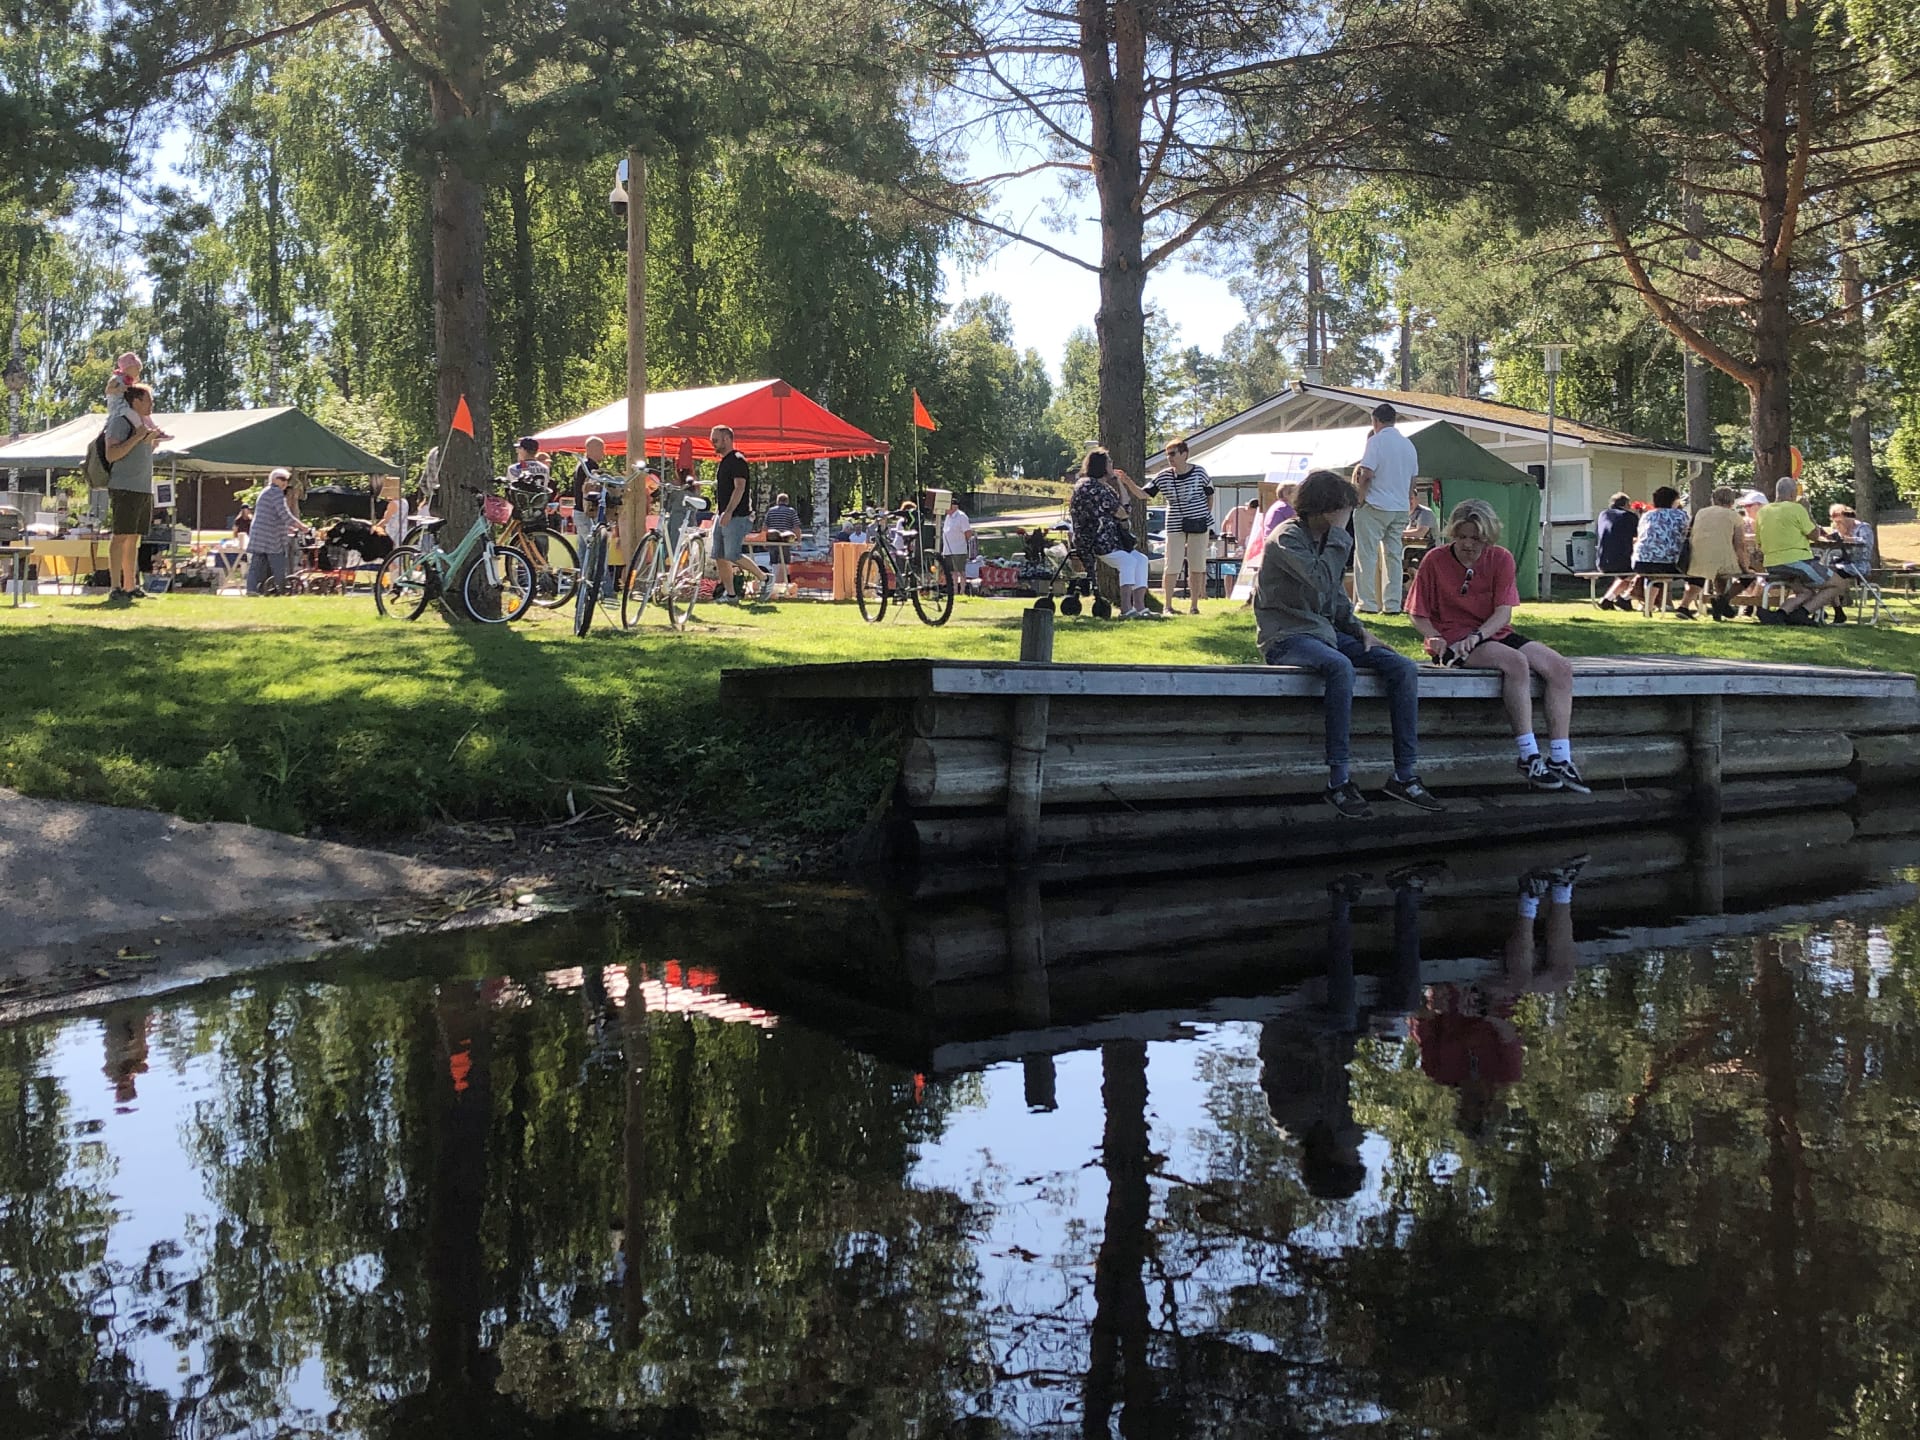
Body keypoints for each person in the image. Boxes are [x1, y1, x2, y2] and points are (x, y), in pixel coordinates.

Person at [1256, 468, 1444, 818]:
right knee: (1339, 667)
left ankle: (1404, 774)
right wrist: (1342, 537)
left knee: (1401, 666)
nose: (1350, 513)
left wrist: (1360, 632)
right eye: (1345, 507)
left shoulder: (1327, 539)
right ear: (1327, 508)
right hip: (1287, 636)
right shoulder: (1288, 538)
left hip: (1326, 633)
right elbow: (1319, 580)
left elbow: (1335, 599)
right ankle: (1338, 780)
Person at [1407, 499, 1589, 793]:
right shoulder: (1434, 561)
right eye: (1462, 536)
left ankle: (1560, 757)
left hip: (1490, 632)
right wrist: (1434, 637)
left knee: (1560, 668)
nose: (1468, 544)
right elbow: (1417, 613)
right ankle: (1528, 755)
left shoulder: (1501, 558)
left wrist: (1478, 635)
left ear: (1488, 538)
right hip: (1453, 637)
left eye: (1476, 539)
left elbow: (1503, 611)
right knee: (1515, 663)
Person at [1068, 447, 1153, 618]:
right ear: (1101, 465)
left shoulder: (1103, 487)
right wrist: (1122, 510)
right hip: (1094, 539)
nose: (1112, 464)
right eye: (1109, 462)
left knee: (1141, 560)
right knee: (1128, 562)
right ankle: (1126, 608)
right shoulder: (1090, 487)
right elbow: (1121, 512)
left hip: (1111, 539)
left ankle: (1140, 606)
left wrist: (1119, 482)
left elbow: (1125, 508)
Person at [1350, 402, 1419, 614]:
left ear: (1375, 421)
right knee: (1394, 556)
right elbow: (1413, 481)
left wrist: (1360, 498)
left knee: (1366, 555)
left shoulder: (1376, 441)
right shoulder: (1409, 445)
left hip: (1375, 504)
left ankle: (1367, 603)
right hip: (1399, 507)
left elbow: (1367, 473)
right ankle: (1392, 604)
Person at [1757, 476, 1849, 624]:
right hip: (1796, 561)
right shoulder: (1797, 509)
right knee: (1839, 584)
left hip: (1772, 564)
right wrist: (1808, 511)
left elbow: (1759, 542)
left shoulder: (1763, 512)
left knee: (1805, 592)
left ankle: (1780, 615)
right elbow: (1815, 535)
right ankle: (1802, 613)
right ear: (1793, 494)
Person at [103, 384, 161, 600]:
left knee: (134, 538)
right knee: (120, 536)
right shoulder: (121, 422)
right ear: (135, 401)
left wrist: (151, 440)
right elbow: (111, 454)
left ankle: (131, 586)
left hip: (142, 488)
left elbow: (140, 452)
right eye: (148, 401)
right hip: (124, 488)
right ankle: (115, 587)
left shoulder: (143, 424)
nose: (151, 405)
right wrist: (138, 437)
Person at [1144, 436, 1214, 615]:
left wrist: (1205, 515)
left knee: (1197, 565)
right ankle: (1167, 606)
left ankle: (1194, 605)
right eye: (1167, 454)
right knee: (1172, 564)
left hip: (1199, 524)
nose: (1169, 457)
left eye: (1173, 453)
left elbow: (1209, 494)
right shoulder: (1164, 476)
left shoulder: (1200, 472)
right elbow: (1145, 494)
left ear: (1185, 454)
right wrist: (1127, 482)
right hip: (1175, 524)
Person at [709, 425, 769, 603]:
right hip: (723, 515)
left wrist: (728, 512)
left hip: (737, 516)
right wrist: (719, 513)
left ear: (727, 439)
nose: (713, 444)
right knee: (719, 555)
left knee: (732, 554)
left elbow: (740, 487)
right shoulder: (724, 461)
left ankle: (764, 577)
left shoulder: (737, 459)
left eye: (716, 440)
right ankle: (731, 594)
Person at [1629, 486, 1705, 617]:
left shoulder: (1647, 516)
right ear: (1674, 501)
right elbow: (1690, 534)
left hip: (1640, 563)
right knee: (1699, 574)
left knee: (1653, 575)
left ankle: (1648, 608)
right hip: (1668, 565)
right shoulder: (1680, 515)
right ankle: (1684, 607)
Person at [1687, 486, 1753, 620]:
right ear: (1732, 501)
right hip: (1722, 560)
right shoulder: (1735, 517)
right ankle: (1724, 600)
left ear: (1713, 499)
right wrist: (1746, 568)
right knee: (1748, 576)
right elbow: (1739, 545)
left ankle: (1720, 605)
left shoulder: (1701, 513)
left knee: (1720, 575)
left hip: (1696, 559)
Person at [245, 467, 304, 596]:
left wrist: (289, 527)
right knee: (278, 564)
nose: (285, 482)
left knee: (256, 565)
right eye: (282, 479)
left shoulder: (266, 491)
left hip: (259, 534)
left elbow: (273, 515)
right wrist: (302, 526)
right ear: (273, 479)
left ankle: (251, 590)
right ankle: (282, 591)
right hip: (270, 537)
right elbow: (284, 514)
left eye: (287, 480)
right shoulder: (276, 492)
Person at [1594, 492, 1639, 609]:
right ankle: (1615, 598)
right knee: (1638, 571)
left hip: (1602, 560)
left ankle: (1620, 600)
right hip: (1621, 561)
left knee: (1624, 573)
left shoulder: (1603, 515)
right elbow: (1639, 536)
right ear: (1625, 504)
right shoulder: (1629, 516)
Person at [765, 491, 803, 597]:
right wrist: (798, 540)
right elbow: (796, 527)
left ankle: (773, 587)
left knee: (774, 563)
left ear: (777, 501)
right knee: (785, 563)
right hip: (785, 541)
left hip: (772, 541)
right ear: (787, 501)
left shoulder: (771, 511)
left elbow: (765, 527)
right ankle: (783, 586)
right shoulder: (791, 511)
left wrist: (765, 541)